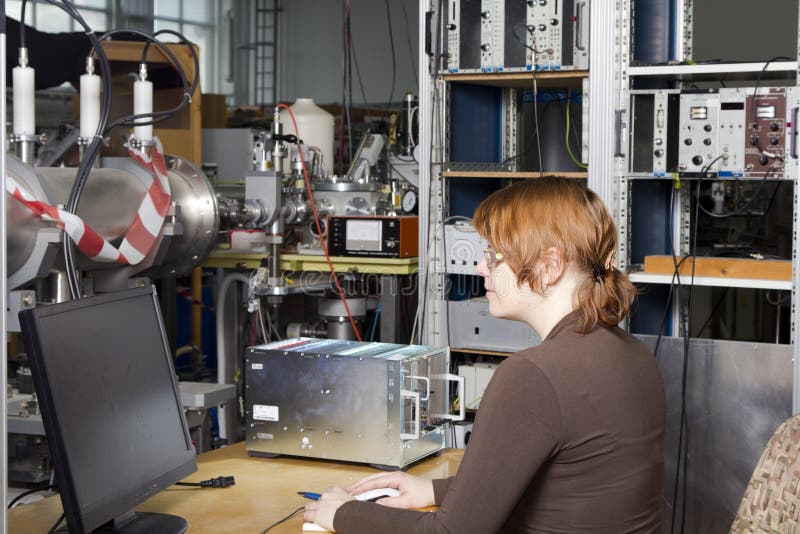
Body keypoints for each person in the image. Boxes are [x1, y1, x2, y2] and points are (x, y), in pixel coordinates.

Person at [304, 177, 666, 533]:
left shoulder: (533, 375)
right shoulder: (634, 355)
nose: (481, 268)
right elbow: (566, 483)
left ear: (550, 266)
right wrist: (432, 490)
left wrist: (342, 513)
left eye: (494, 256)